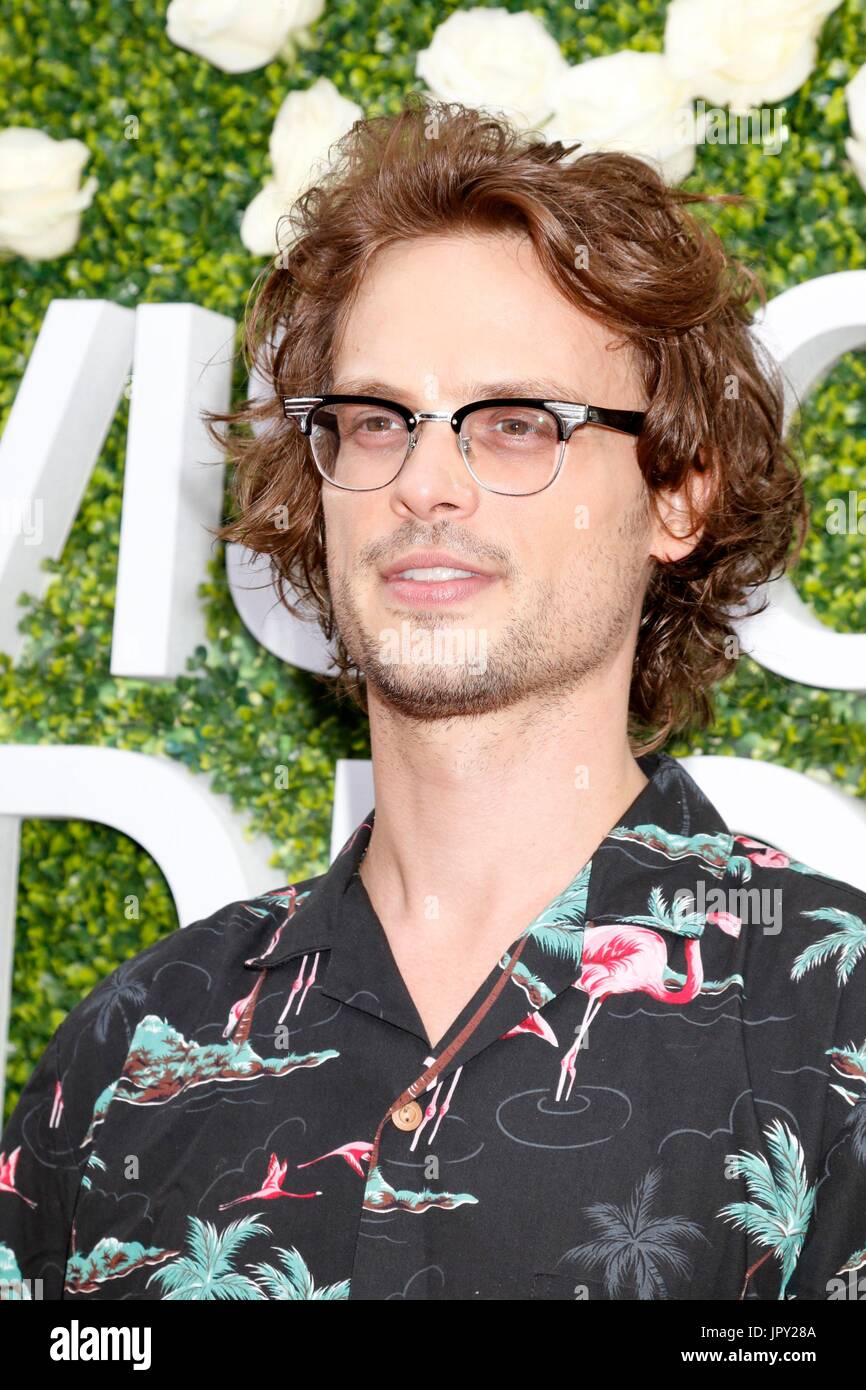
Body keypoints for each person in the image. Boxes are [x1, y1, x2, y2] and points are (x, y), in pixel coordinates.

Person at [1, 96, 864, 1303]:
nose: (425, 483)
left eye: (516, 425)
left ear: (676, 495)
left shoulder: (836, 1028)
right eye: (374, 422)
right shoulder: (136, 1041)